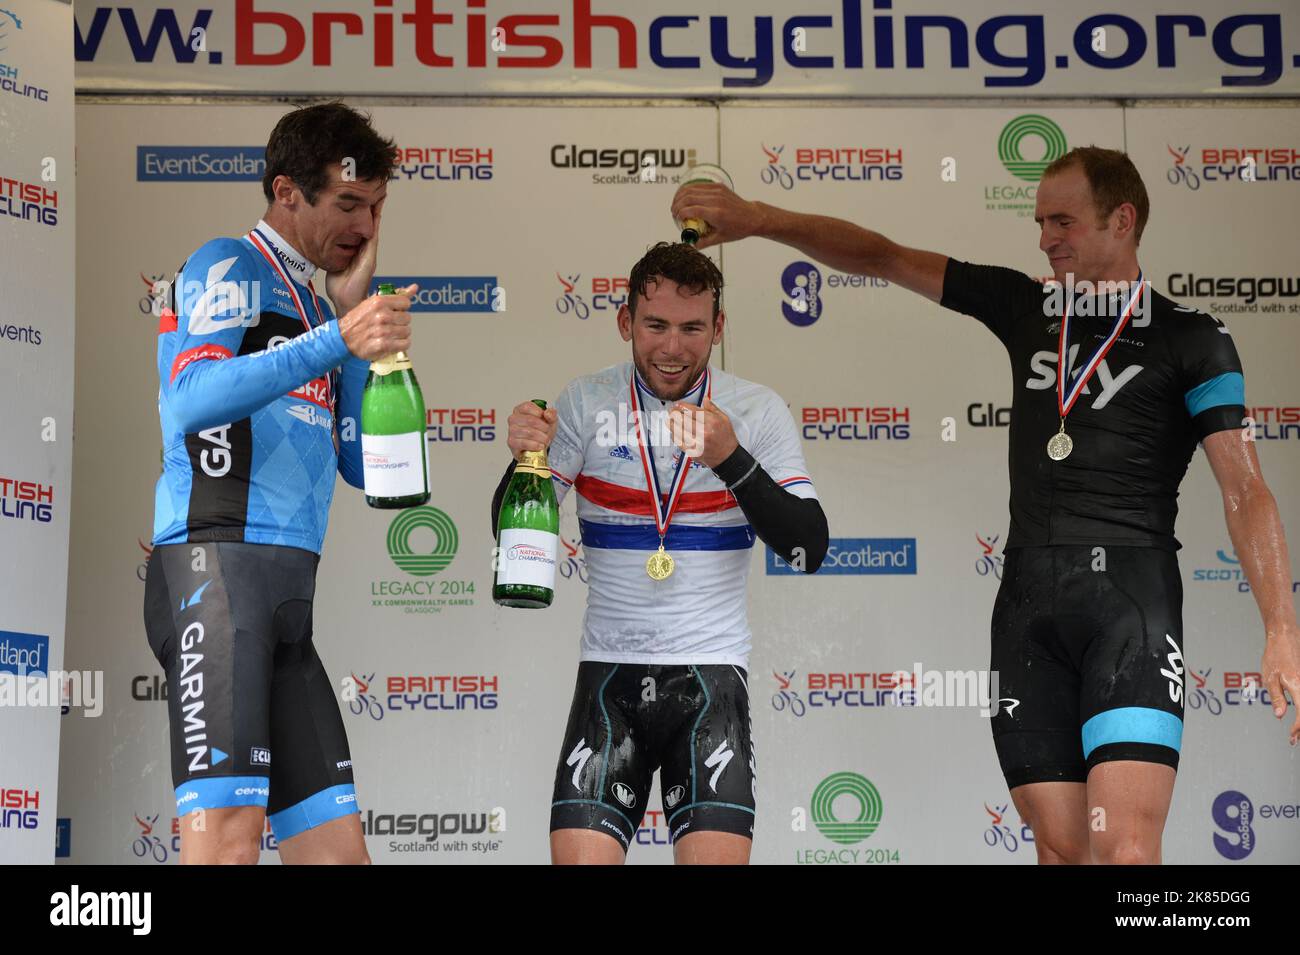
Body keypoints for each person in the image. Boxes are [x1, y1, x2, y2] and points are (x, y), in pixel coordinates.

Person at [671, 146, 1300, 864]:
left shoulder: (1193, 338)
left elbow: (1245, 488)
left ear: (1122, 220)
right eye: (1038, 221)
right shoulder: (1024, 305)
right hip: (1028, 606)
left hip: (1131, 605)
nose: (1043, 238)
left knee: (1124, 851)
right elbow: (882, 256)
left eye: (1062, 220)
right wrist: (758, 219)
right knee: (1063, 850)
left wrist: (1281, 625)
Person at [493, 242, 828, 864]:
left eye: (692, 328)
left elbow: (808, 547)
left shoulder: (754, 411)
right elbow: (512, 536)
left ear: (718, 328)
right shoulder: (585, 403)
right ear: (626, 323)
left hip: (710, 681)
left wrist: (730, 459)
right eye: (656, 326)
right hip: (607, 680)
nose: (672, 348)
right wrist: (525, 463)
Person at [144, 102, 417, 864]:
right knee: (226, 849)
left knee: (338, 857)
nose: (365, 226)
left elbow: (368, 471)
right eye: (349, 204)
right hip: (213, 577)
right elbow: (188, 403)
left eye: (377, 207)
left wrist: (353, 328)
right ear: (287, 191)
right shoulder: (230, 261)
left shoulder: (319, 303)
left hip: (290, 599)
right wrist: (337, 338)